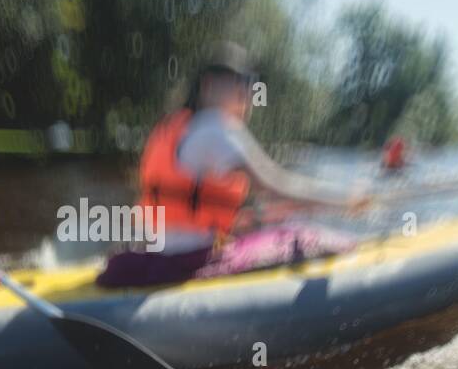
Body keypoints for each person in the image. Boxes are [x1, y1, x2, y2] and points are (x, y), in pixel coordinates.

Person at [98, 42, 369, 287]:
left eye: (251, 84)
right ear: (209, 85)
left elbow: (192, 212)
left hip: (156, 257)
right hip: (188, 264)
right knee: (301, 237)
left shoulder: (179, 126)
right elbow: (277, 185)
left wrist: (261, 216)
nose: (247, 93)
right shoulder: (217, 126)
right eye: (240, 83)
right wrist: (345, 199)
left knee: (263, 226)